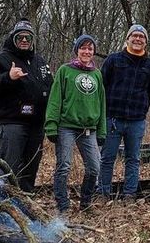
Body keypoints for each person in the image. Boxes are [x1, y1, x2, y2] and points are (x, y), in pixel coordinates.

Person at [0, 19, 54, 192]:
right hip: (13, 122)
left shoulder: (40, 62)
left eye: (28, 38)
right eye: (20, 37)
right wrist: (8, 77)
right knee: (9, 166)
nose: (24, 41)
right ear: (13, 39)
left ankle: (27, 200)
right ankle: (3, 199)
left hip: (37, 124)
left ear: (32, 41)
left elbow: (50, 86)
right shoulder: (2, 60)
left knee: (31, 166)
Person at [44, 35, 107, 214]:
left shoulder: (97, 74)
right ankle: (62, 206)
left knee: (94, 167)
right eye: (83, 48)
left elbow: (101, 104)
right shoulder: (65, 71)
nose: (86, 51)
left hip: (89, 129)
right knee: (64, 165)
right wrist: (51, 125)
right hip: (66, 126)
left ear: (93, 52)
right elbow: (55, 100)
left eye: (90, 48)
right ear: (77, 50)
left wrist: (102, 131)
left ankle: (85, 203)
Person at [98, 25, 150, 201]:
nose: (138, 39)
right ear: (127, 39)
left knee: (133, 159)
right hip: (112, 118)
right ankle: (103, 192)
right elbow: (103, 87)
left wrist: (141, 110)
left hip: (136, 120)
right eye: (134, 36)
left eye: (141, 37)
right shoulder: (113, 60)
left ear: (146, 42)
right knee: (107, 158)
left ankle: (129, 193)